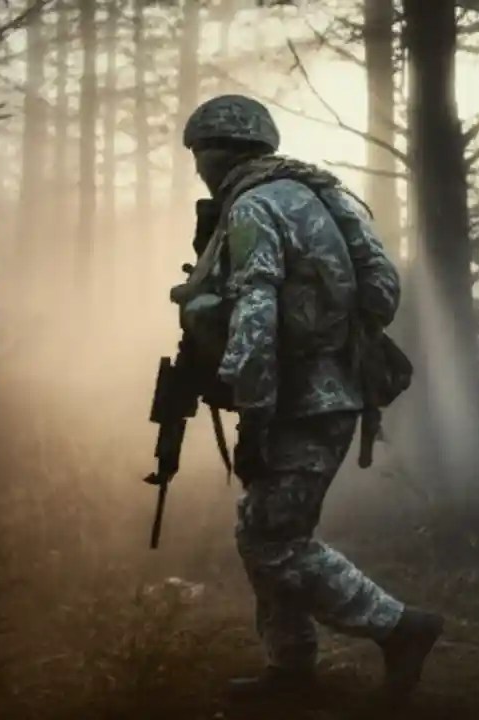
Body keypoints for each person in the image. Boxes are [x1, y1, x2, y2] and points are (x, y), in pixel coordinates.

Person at [176, 94, 444, 700]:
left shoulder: (251, 208)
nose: (198, 167)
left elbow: (256, 311)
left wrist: (253, 416)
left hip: (301, 401)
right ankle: (291, 666)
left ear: (220, 152)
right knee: (262, 529)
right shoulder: (310, 195)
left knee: (273, 541)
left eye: (199, 154)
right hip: (329, 390)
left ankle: (399, 627)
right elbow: (377, 286)